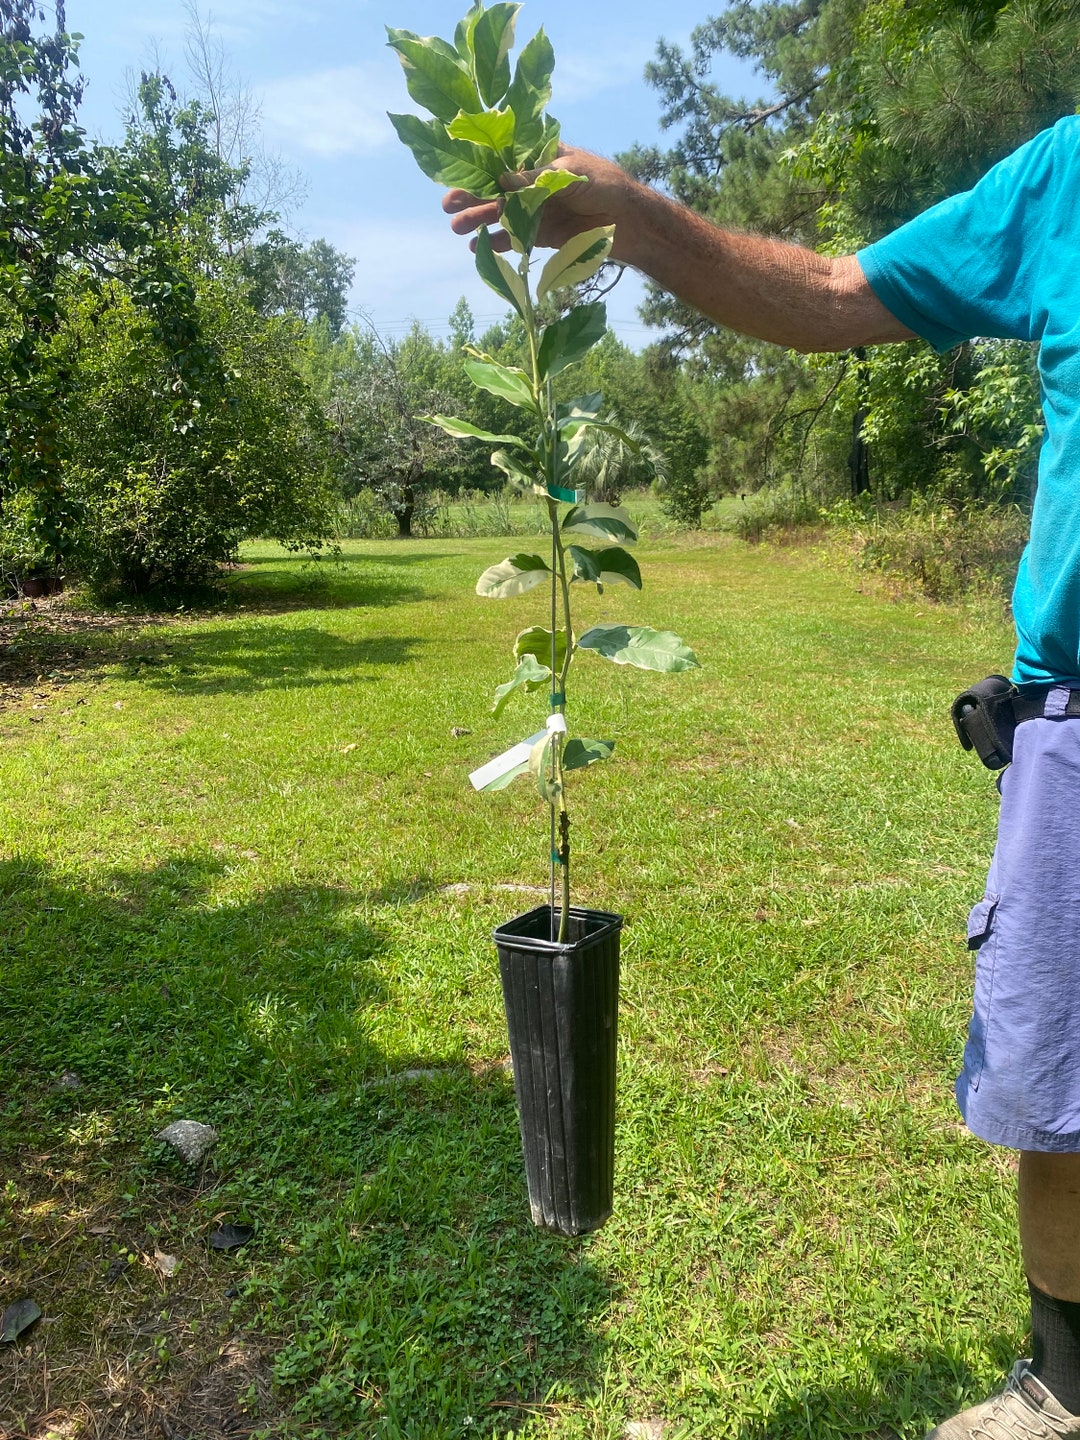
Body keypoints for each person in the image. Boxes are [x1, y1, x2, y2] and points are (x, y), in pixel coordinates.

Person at [444, 117, 1080, 1440]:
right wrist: (628, 213)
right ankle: (1066, 1385)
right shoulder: (1068, 172)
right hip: (1078, 714)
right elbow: (841, 292)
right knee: (1059, 1086)